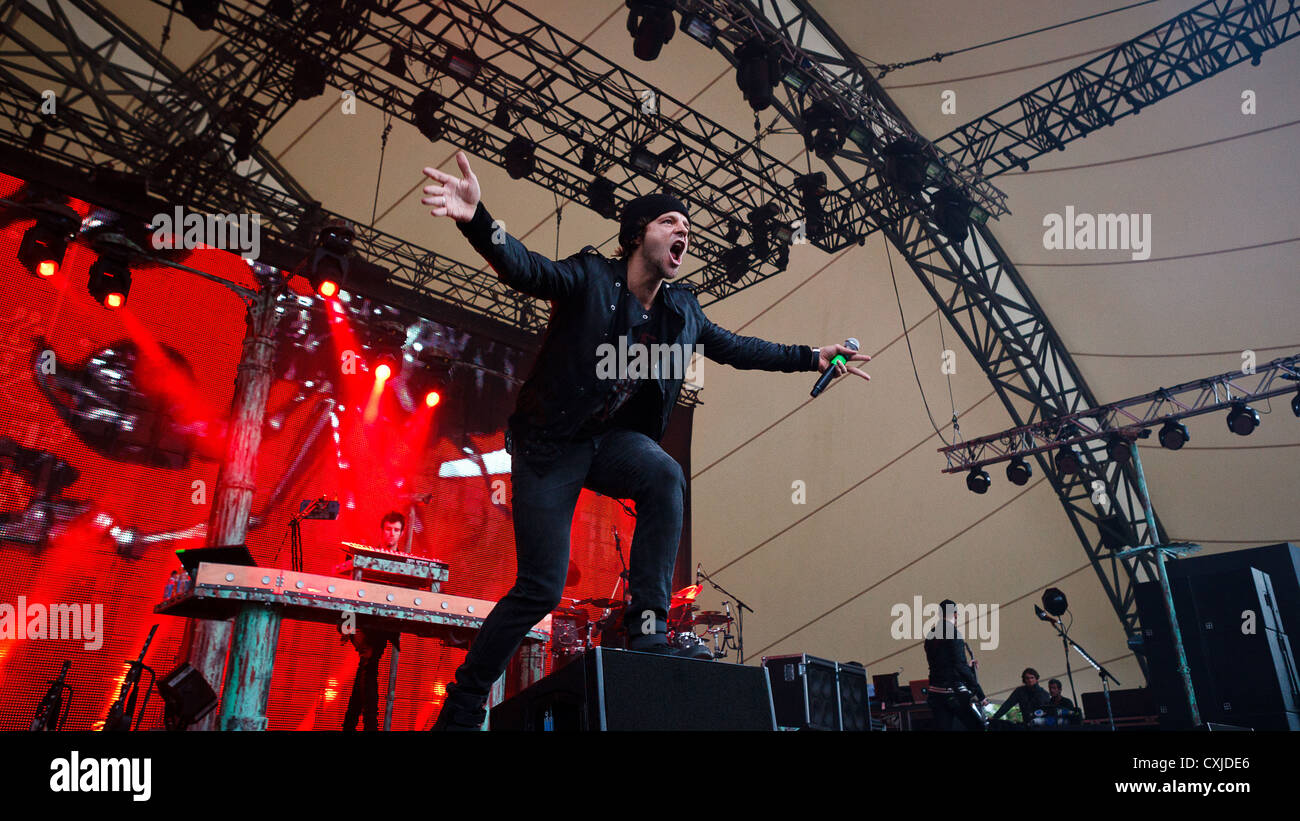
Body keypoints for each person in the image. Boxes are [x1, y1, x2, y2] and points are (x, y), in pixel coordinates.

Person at [421, 152, 871, 730]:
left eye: (688, 229)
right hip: (551, 444)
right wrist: (478, 219)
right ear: (638, 235)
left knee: (663, 474)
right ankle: (461, 705)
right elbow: (525, 266)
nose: (684, 233)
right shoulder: (589, 279)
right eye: (670, 225)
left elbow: (741, 348)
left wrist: (815, 356)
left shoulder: (683, 311)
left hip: (610, 442)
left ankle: (649, 628)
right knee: (539, 589)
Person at [341, 511, 406, 731]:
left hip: (382, 625)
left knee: (367, 665)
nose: (392, 534)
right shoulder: (369, 555)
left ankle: (350, 724)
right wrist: (346, 623)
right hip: (359, 620)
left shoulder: (404, 561)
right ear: (382, 530)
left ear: (402, 533)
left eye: (396, 530)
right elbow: (350, 588)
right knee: (369, 660)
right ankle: (371, 724)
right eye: (388, 529)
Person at [923, 599, 987, 730]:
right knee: (978, 727)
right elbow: (959, 666)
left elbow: (942, 663)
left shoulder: (930, 635)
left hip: (935, 692)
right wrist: (980, 694)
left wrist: (966, 666)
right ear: (956, 614)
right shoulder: (954, 633)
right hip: (954, 693)